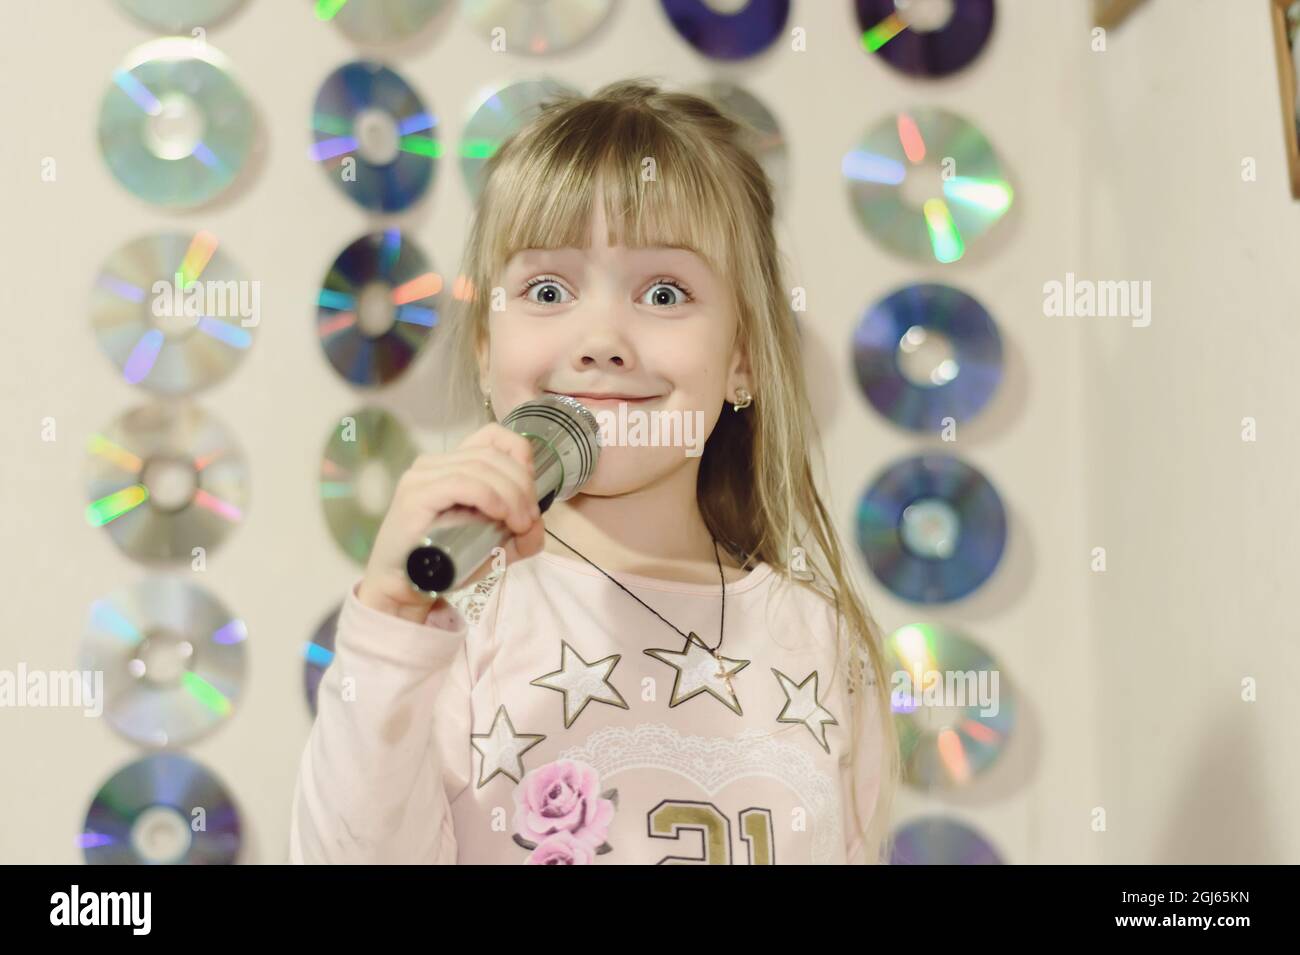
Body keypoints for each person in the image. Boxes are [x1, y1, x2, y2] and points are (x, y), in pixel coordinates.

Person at [290, 77, 899, 865]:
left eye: (664, 290)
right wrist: (390, 628)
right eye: (548, 289)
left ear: (743, 358)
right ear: (484, 350)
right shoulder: (455, 625)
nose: (601, 338)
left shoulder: (821, 641)